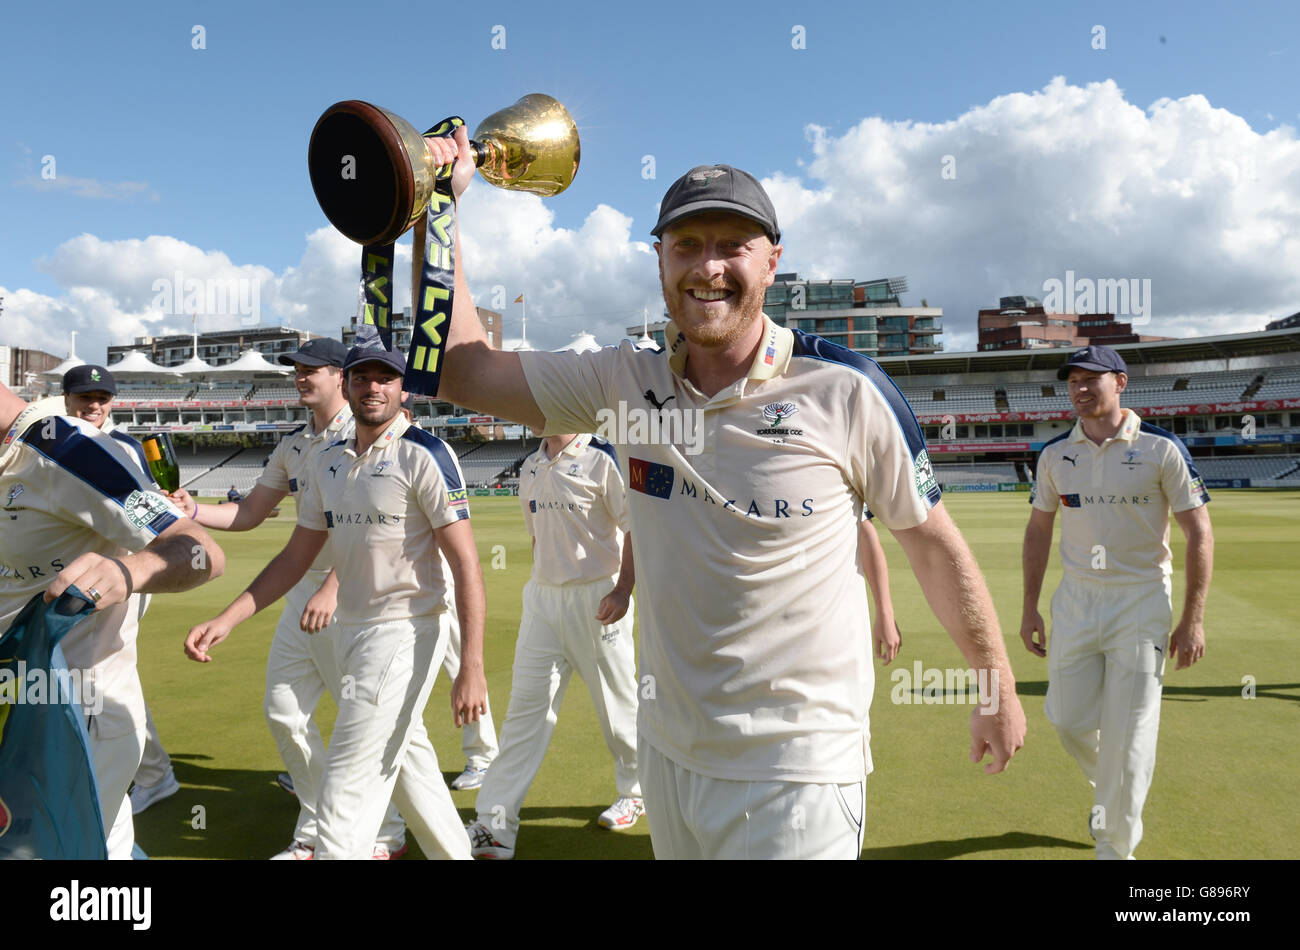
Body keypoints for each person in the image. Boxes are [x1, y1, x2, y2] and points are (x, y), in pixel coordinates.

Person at [430, 131, 1025, 859]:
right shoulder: (624, 384)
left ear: (772, 261)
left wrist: (994, 686)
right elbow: (461, 374)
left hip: (798, 771)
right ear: (659, 260)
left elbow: (933, 547)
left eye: (732, 245)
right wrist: (439, 211)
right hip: (671, 757)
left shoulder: (845, 390)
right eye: (685, 246)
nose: (707, 267)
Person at [184, 342, 487, 860]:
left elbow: (466, 563)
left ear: (402, 388)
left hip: (405, 630)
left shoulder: (425, 453)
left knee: (347, 792)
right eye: (362, 377)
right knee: (411, 769)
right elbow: (295, 557)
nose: (373, 387)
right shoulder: (324, 459)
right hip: (349, 630)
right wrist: (229, 617)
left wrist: (472, 666)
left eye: (385, 378)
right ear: (347, 385)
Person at [166, 337, 408, 858]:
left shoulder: (366, 433)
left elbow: (378, 527)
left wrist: (333, 584)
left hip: (353, 595)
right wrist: (192, 511)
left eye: (310, 370)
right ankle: (320, 829)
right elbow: (250, 514)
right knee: (283, 711)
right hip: (302, 589)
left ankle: (383, 831)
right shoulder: (294, 444)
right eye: (295, 370)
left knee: (362, 724)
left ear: (340, 376)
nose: (300, 378)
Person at [0, 382, 225, 858]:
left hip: (75, 716)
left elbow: (201, 550)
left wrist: (128, 571)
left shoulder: (70, 448)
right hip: (14, 703)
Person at [1020, 345, 1213, 860]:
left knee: (1129, 738)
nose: (1080, 390)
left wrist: (1192, 619)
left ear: (1120, 383)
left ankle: (1114, 845)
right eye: (1073, 382)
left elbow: (1199, 531)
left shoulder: (1161, 448)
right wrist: (1028, 607)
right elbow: (1039, 530)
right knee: (1066, 718)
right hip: (1076, 601)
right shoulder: (1056, 454)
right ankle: (1114, 787)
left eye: (1092, 380)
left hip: (1141, 600)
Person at [465, 432, 641, 860]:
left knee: (618, 711)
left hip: (598, 597)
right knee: (524, 714)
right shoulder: (530, 464)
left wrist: (622, 590)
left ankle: (636, 791)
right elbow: (536, 538)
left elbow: (638, 525)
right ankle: (495, 823)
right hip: (542, 599)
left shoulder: (603, 457)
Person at [60, 364, 182, 814]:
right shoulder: (50, 443)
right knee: (85, 681)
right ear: (66, 398)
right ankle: (146, 773)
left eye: (102, 398)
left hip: (118, 575)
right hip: (72, 575)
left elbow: (156, 514)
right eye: (84, 398)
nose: (94, 406)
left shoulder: (128, 446)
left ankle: (139, 778)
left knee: (103, 678)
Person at [401, 394, 499, 789]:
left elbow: (459, 540)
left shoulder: (428, 452)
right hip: (388, 593)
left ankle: (483, 755)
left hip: (437, 586)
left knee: (462, 667)